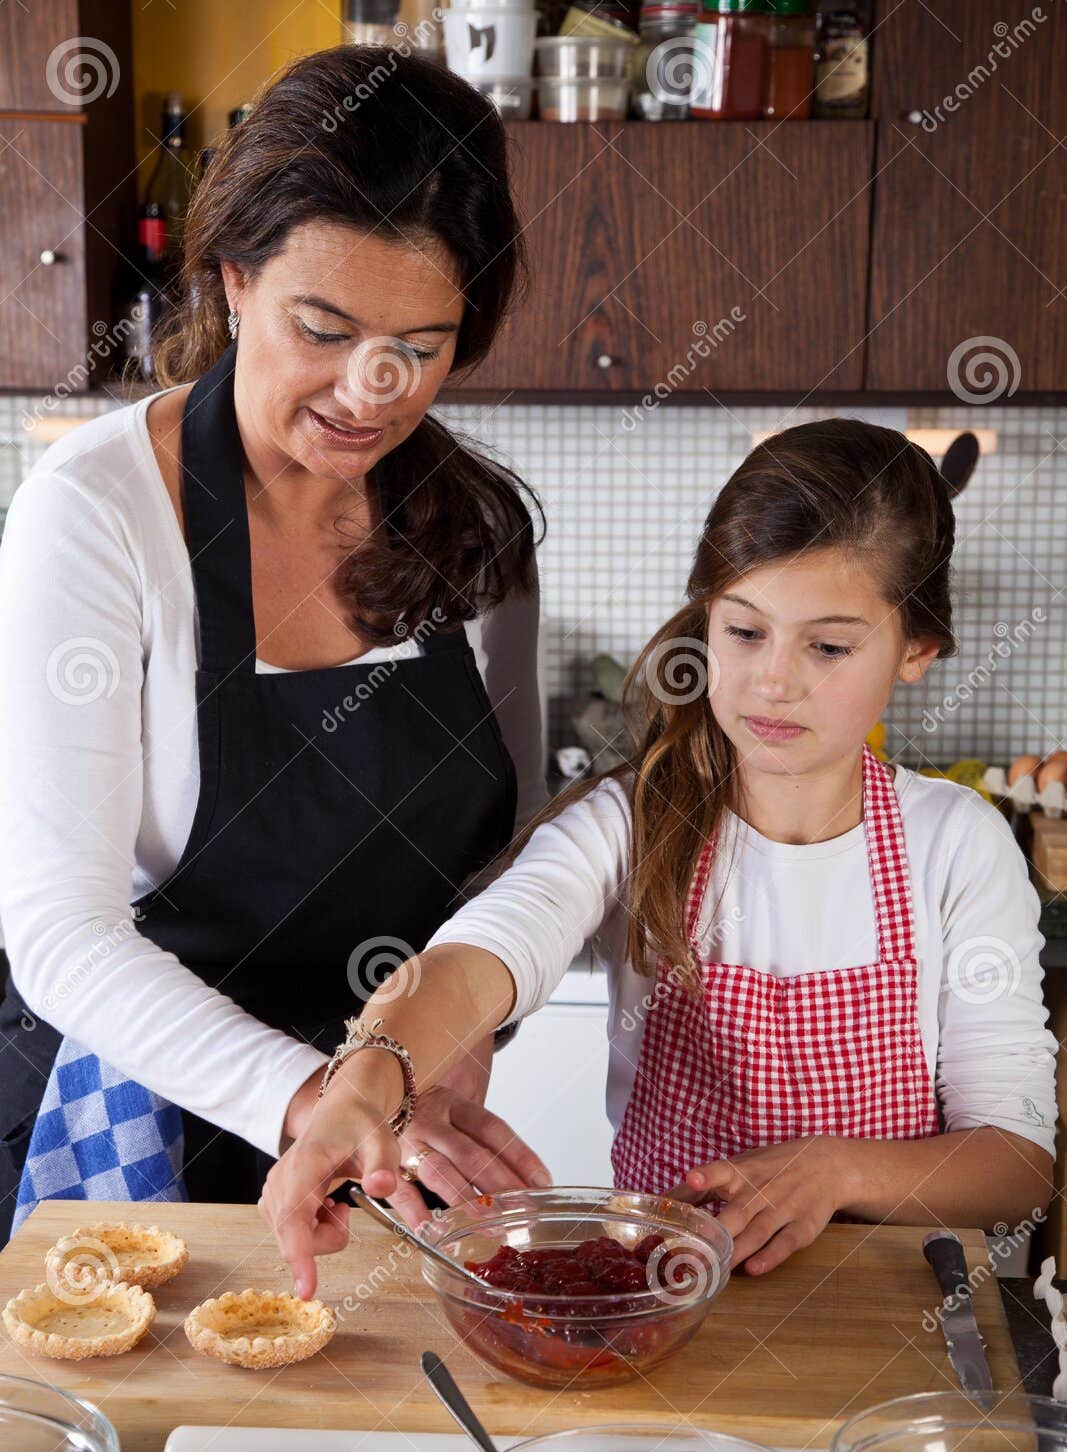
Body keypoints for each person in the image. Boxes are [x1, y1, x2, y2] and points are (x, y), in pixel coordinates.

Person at [261, 419, 1056, 1297]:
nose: (772, 681)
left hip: (889, 1317)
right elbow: (478, 955)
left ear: (915, 650)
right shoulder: (633, 823)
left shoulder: (955, 842)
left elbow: (1016, 1160)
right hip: (662, 1303)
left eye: (827, 646)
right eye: (744, 632)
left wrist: (838, 1172)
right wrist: (361, 1088)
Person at [0, 46, 551, 1244]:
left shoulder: (476, 532)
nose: (373, 387)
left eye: (424, 340)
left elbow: (509, 850)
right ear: (233, 278)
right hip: (137, 1125)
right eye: (325, 326)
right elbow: (59, 930)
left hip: (400, 1131)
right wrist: (316, 1098)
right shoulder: (95, 511)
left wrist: (444, 1039)